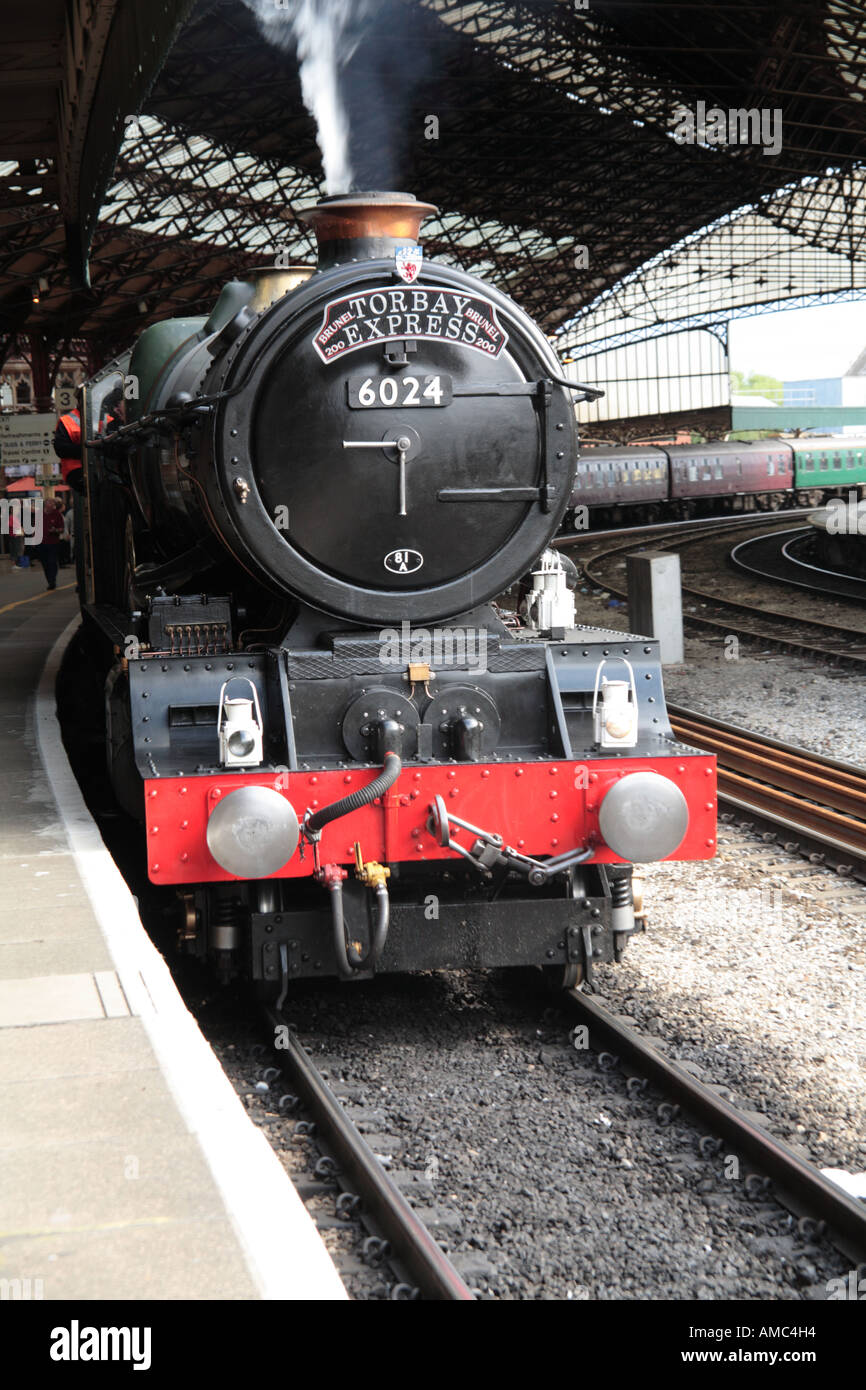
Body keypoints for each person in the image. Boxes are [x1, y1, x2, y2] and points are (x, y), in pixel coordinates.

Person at [37, 497, 65, 590]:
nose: (53, 506)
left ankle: (52, 581)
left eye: (54, 504)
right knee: (45, 563)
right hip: (42, 543)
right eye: (51, 504)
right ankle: (49, 580)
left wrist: (55, 530)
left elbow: (61, 529)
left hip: (53, 543)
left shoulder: (57, 514)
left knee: (52, 562)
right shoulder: (40, 514)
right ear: (46, 505)